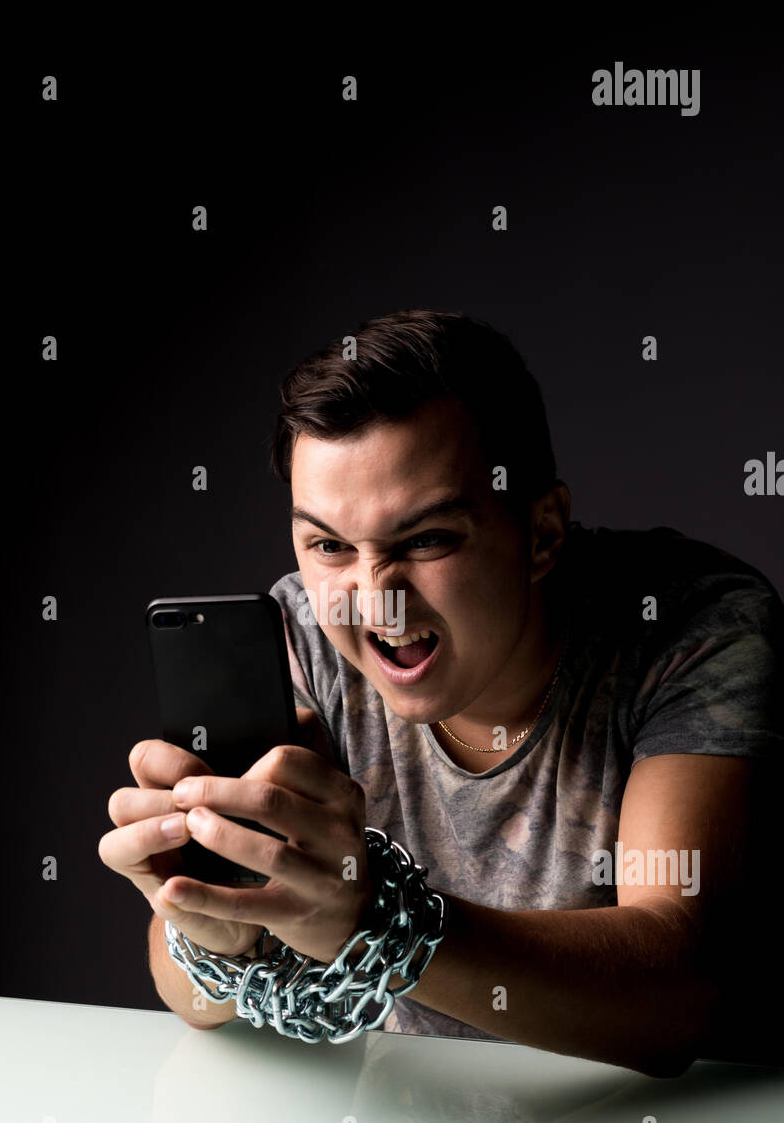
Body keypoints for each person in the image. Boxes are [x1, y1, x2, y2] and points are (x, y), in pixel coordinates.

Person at [99, 309, 783, 1076]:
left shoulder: (695, 626)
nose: (372, 600)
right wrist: (218, 919)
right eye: (329, 546)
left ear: (544, 532)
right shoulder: (303, 635)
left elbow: (680, 985)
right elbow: (187, 997)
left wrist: (377, 921)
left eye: (425, 541)